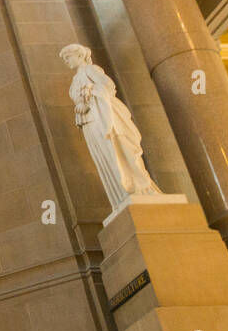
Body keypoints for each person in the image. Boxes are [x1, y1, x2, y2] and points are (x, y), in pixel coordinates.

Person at [59, 44, 161, 211]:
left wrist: (87, 99)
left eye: (68, 57)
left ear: (78, 55)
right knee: (105, 157)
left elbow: (107, 86)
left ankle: (140, 188)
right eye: (65, 59)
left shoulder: (90, 70)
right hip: (89, 124)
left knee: (117, 151)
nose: (66, 61)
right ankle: (122, 194)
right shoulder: (75, 79)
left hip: (101, 117)